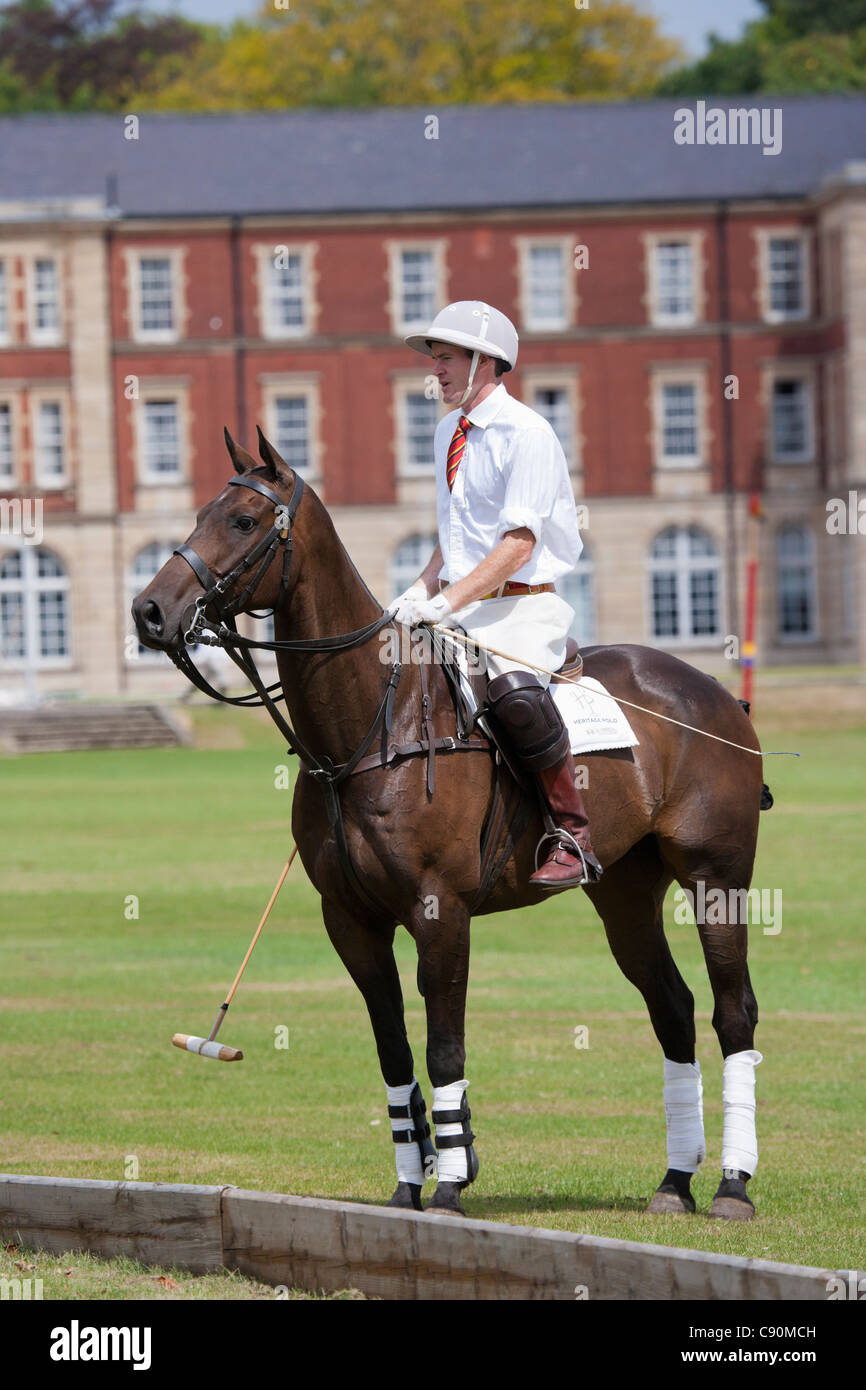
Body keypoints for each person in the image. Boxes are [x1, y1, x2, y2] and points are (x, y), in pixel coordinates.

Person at [391, 300, 602, 889]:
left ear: (485, 361)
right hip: (466, 604)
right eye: (435, 360)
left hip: (523, 603)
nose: (436, 371)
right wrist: (418, 589)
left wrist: (446, 602)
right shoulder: (445, 434)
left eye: (447, 358)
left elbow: (516, 543)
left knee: (510, 689)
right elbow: (454, 538)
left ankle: (573, 835)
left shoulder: (527, 432)